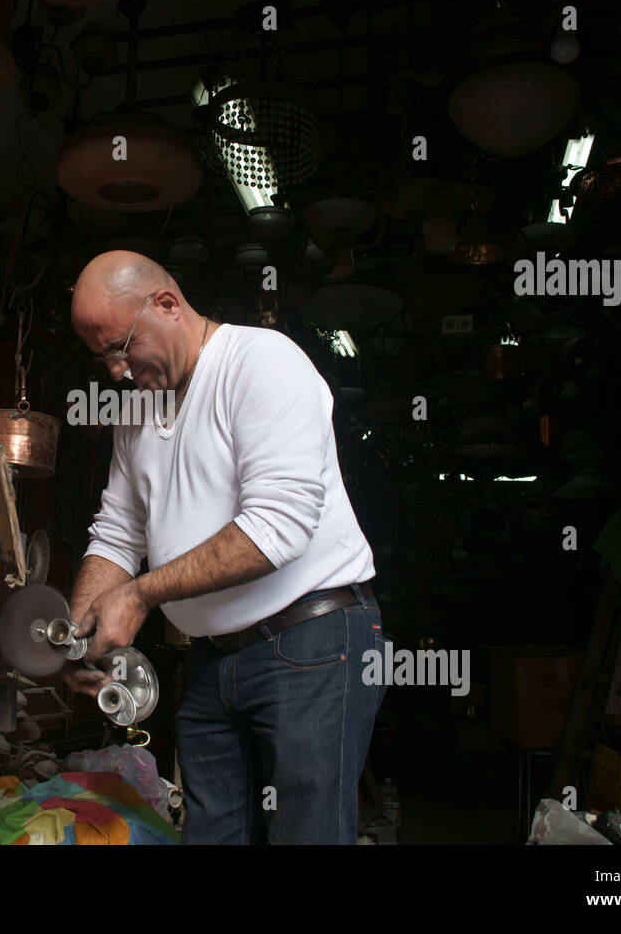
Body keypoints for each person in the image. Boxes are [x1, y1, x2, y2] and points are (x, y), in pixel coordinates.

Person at [63, 250, 384, 845]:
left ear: (166, 304)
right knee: (212, 835)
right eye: (102, 355)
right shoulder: (137, 413)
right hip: (213, 659)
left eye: (121, 346)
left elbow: (277, 526)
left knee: (307, 835)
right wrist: (82, 632)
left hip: (311, 643)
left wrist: (138, 597)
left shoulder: (262, 363)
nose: (115, 370)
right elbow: (116, 532)